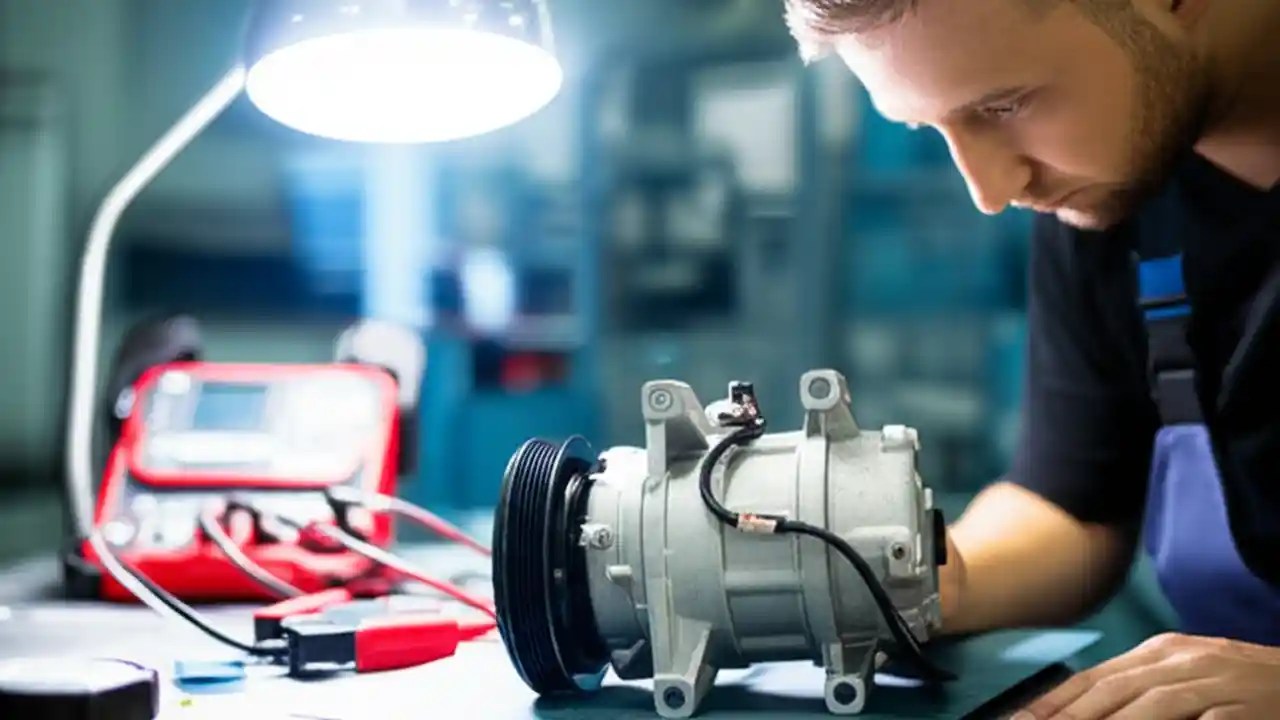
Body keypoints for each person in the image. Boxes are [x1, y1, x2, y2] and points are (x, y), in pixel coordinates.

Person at [781, 0, 1280, 717]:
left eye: (1004, 104)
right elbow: (1073, 504)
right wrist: (909, 577)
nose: (990, 191)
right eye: (932, 129)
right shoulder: (1115, 186)